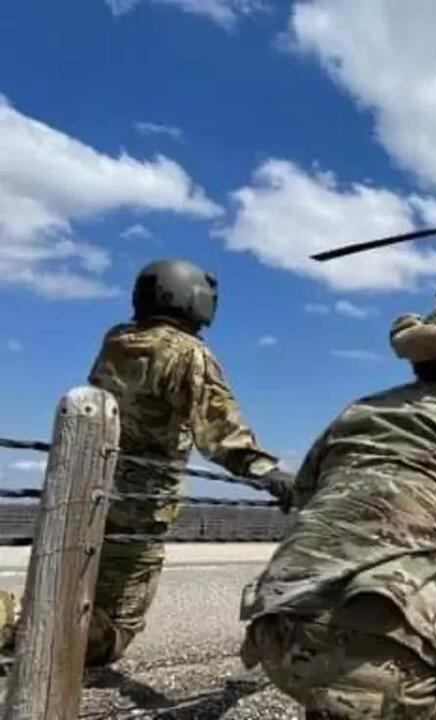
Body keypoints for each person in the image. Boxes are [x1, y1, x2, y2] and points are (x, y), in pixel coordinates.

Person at [239, 300, 436, 720]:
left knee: (342, 696)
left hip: (275, 638)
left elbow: (305, 499)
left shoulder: (356, 414)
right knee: (378, 689)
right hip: (371, 668)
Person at [0, 259, 295, 668]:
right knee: (111, 633)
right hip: (138, 511)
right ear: (191, 298)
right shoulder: (188, 353)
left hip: (85, 493)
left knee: (67, 590)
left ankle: (25, 639)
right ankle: (17, 635)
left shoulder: (118, 340)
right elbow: (220, 431)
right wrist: (271, 475)